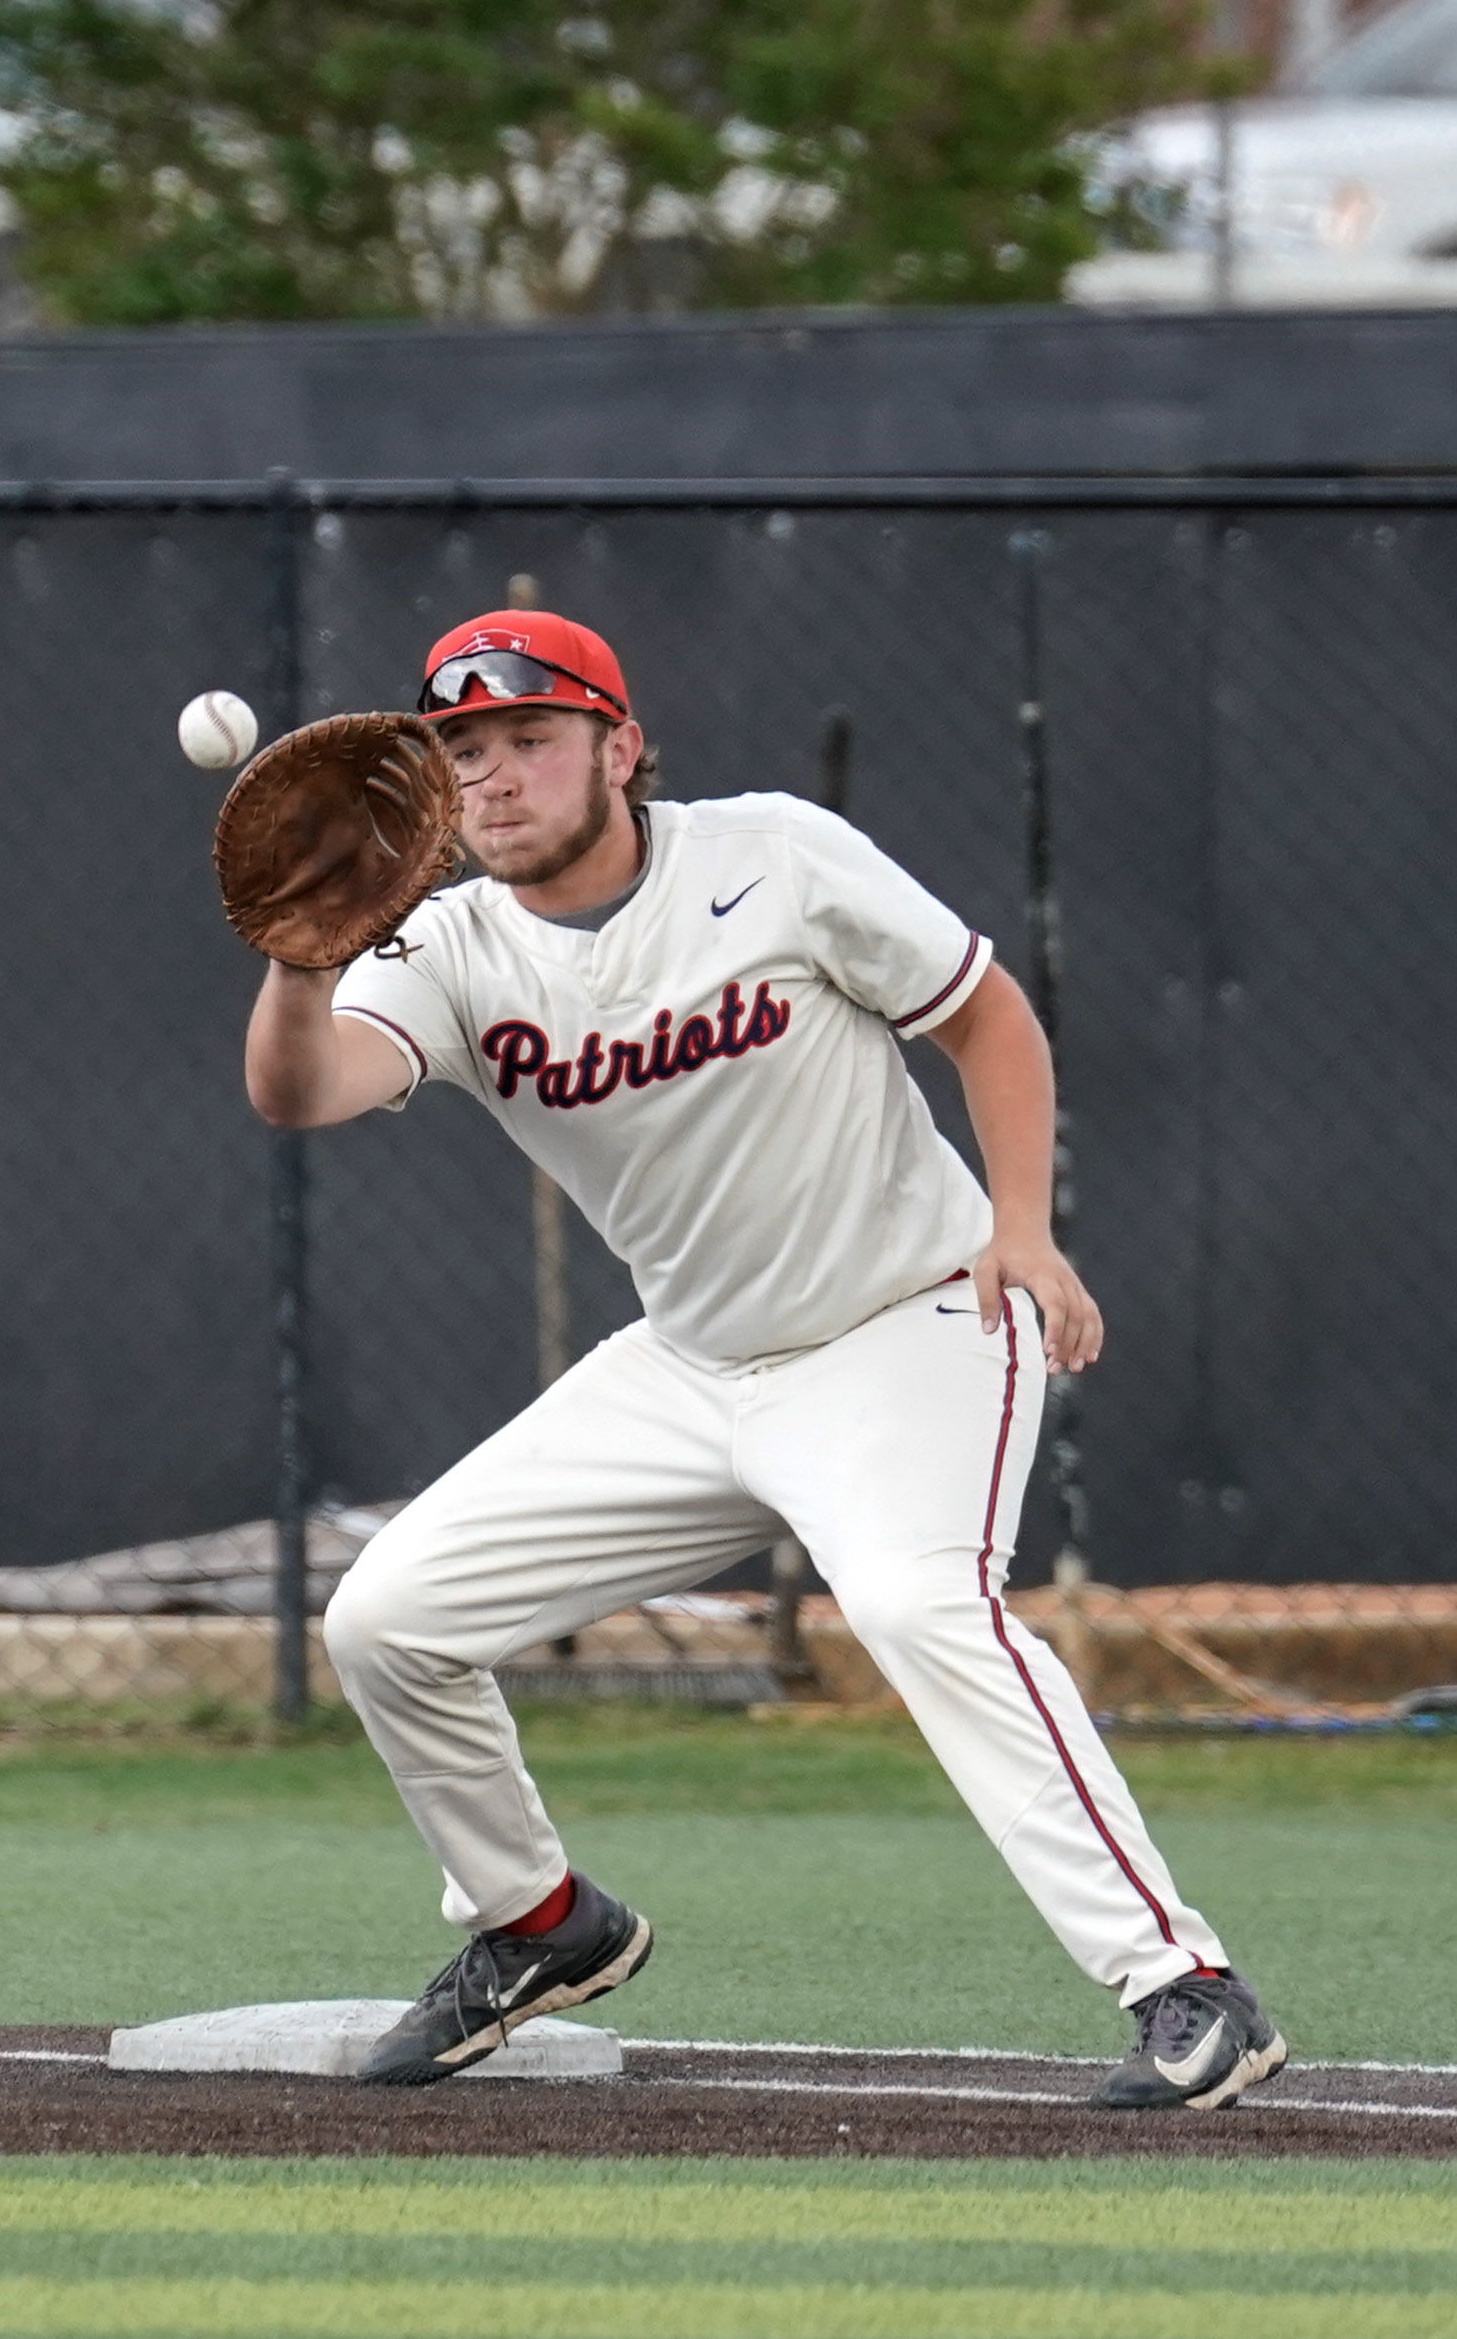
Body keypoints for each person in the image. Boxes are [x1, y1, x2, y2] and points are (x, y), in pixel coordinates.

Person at [242, 609, 1279, 2110]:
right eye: (462, 751)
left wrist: (1023, 1227)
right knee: (387, 1619)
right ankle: (539, 1922)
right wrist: (296, 968)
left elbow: (986, 1016)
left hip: (903, 1323)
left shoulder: (773, 855)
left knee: (920, 1608)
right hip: (690, 1363)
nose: (493, 776)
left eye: (530, 737)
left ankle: (1186, 1984)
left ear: (619, 746)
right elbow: (303, 1093)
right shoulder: (444, 941)